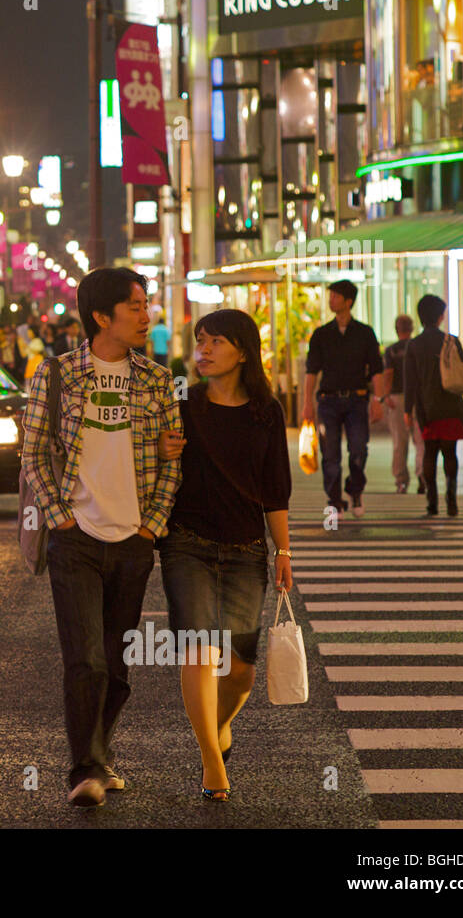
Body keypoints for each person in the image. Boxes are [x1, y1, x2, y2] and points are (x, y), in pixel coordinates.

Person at [21, 267, 182, 808]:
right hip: (77, 539)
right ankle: (85, 768)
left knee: (116, 666)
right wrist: (59, 514)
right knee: (85, 658)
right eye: (135, 306)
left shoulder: (158, 380)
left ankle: (99, 750)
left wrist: (149, 527)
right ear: (100, 316)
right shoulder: (57, 375)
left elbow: (170, 463)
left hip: (132, 540)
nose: (146, 315)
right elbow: (34, 452)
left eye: (146, 304)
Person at [154, 309, 292, 802]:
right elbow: (148, 454)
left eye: (214, 342)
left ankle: (217, 729)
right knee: (199, 647)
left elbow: (276, 487)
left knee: (239, 672)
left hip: (246, 547)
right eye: (200, 342)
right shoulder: (182, 404)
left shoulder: (265, 411)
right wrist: (162, 449)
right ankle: (213, 764)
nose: (203, 351)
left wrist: (284, 550)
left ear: (243, 350)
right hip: (186, 542)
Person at [301, 279, 387, 517]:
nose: (331, 300)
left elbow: (377, 370)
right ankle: (335, 499)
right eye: (330, 296)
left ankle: (355, 489)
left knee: (359, 448)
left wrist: (377, 401)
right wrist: (307, 404)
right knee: (330, 453)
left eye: (336, 296)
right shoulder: (321, 335)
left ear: (349, 302)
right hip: (327, 402)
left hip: (357, 401)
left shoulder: (365, 333)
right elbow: (311, 372)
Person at [403, 294, 463, 517]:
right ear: (440, 316)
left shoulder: (414, 345)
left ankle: (432, 502)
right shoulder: (450, 341)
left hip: (427, 408)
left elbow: (409, 381)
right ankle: (451, 500)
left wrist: (407, 410)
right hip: (450, 405)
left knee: (429, 453)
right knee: (450, 453)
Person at [382, 314, 426, 495]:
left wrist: (386, 395)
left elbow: (388, 374)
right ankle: (423, 476)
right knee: (421, 440)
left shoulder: (391, 350)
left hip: (397, 399)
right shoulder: (418, 347)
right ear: (412, 328)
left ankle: (401, 481)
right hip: (418, 397)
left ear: (396, 329)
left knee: (399, 442)